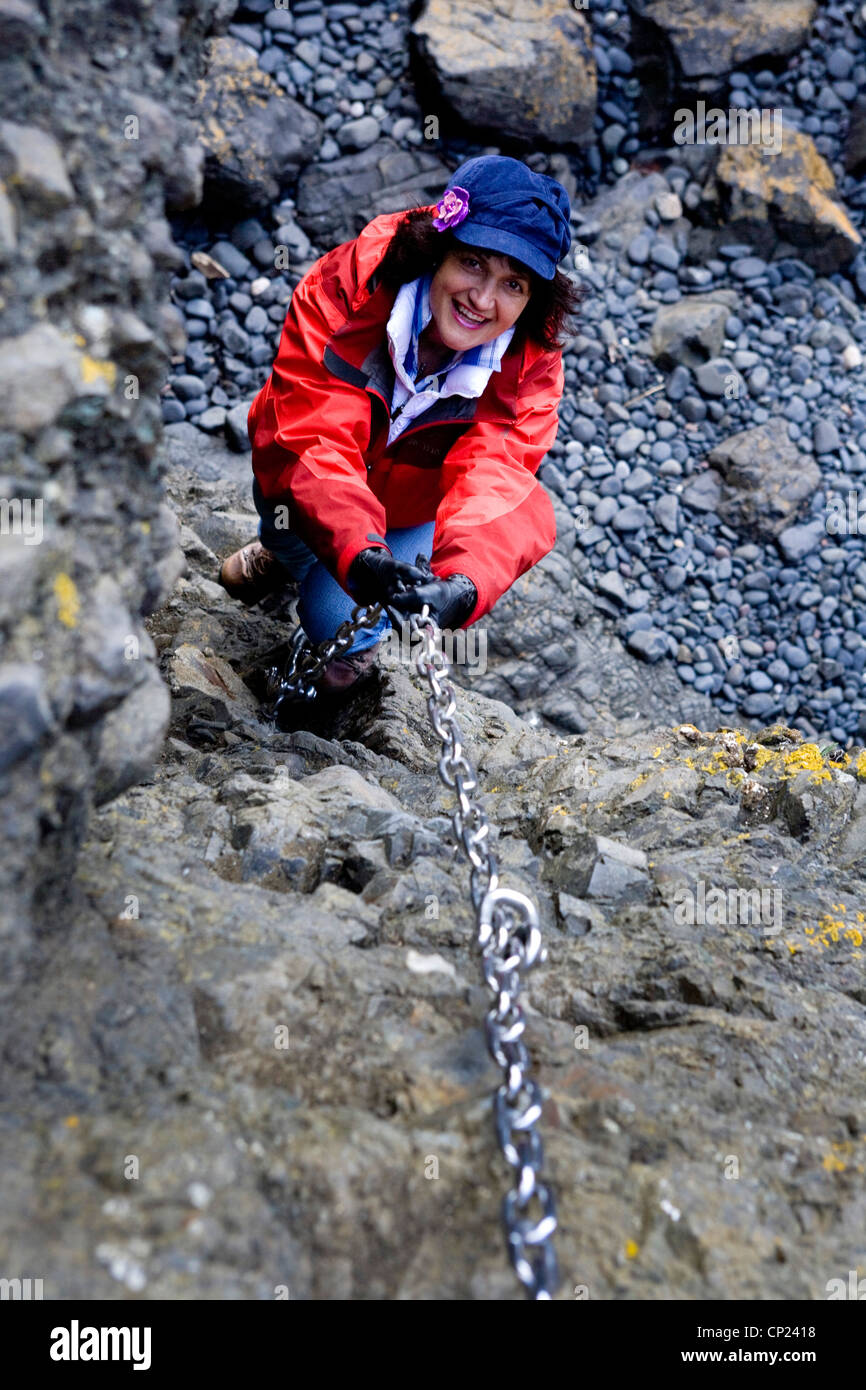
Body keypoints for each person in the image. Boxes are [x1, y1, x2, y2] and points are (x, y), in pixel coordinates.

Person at [218, 154, 584, 720]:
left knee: (334, 617)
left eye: (513, 283)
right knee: (288, 523)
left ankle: (347, 647)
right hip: (301, 475)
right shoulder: (349, 291)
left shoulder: (528, 365)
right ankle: (283, 556)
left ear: (534, 298)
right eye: (473, 263)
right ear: (438, 247)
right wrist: (362, 556)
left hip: (409, 509)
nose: (483, 300)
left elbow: (498, 477)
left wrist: (463, 585)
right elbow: (314, 434)